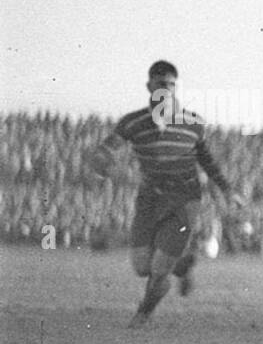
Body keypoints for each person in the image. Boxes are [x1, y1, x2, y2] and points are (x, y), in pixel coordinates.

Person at [88, 60, 241, 326]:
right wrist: (101, 159)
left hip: (184, 200)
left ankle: (142, 315)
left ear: (176, 87)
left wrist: (227, 190)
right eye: (161, 84)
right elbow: (109, 147)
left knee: (159, 270)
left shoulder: (193, 123)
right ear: (149, 86)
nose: (166, 89)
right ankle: (184, 263)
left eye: (171, 84)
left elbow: (208, 160)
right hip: (149, 198)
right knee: (141, 267)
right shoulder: (133, 122)